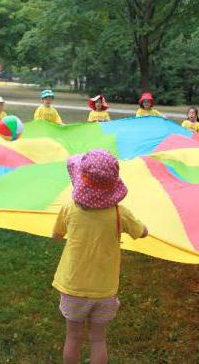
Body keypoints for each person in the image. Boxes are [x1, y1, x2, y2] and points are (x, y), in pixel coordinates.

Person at [52, 150, 148, 364]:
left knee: (73, 337)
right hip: (105, 289)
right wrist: (144, 229)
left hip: (73, 286)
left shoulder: (69, 209)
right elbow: (141, 232)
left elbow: (56, 235)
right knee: (98, 340)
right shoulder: (119, 213)